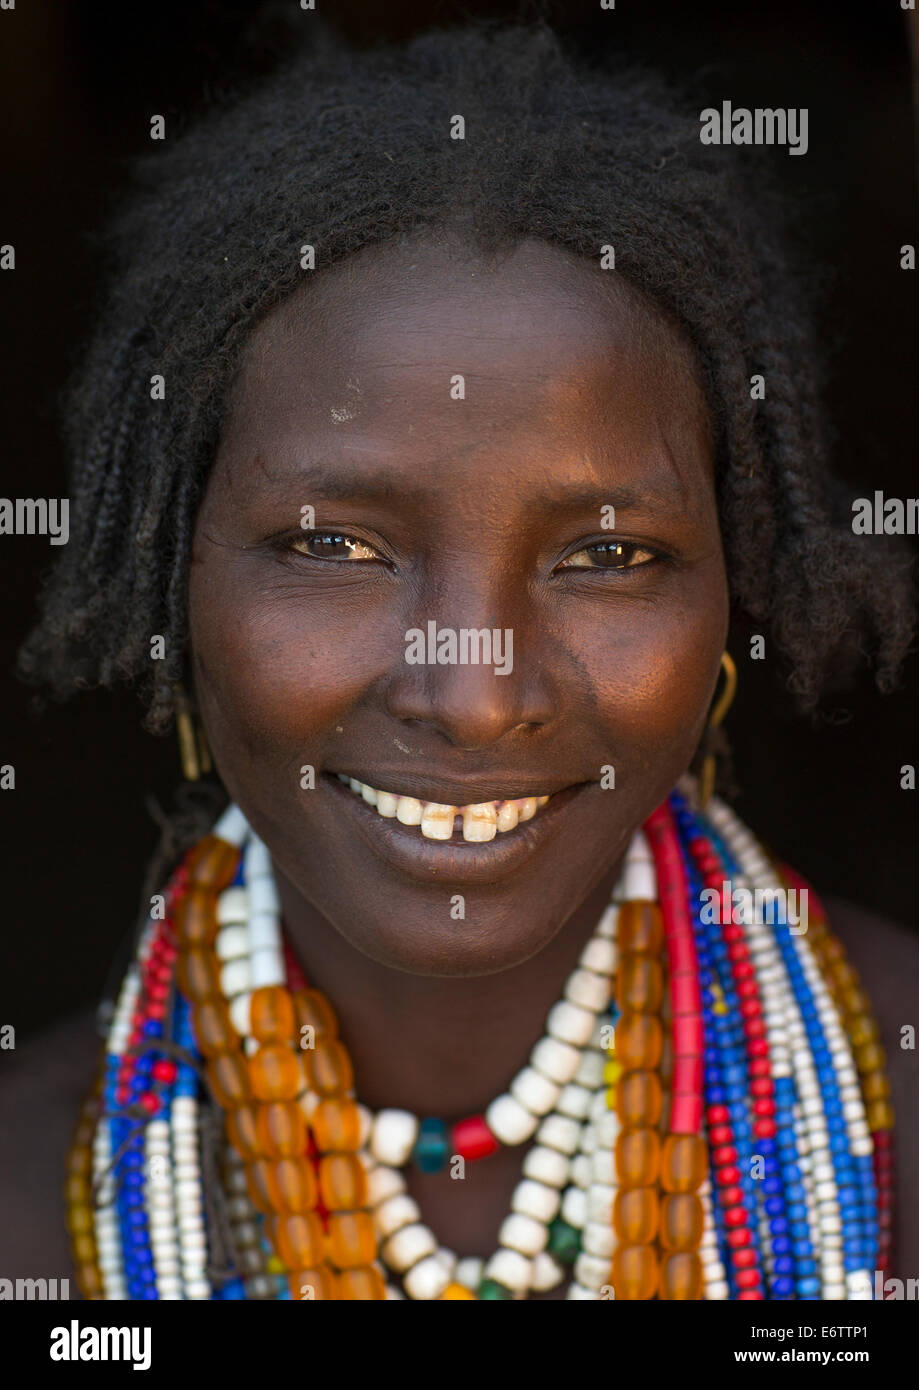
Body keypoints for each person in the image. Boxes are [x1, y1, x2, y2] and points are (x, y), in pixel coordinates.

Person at [3, 19, 916, 1300]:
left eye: (607, 557)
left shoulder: (899, 1118)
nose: (474, 693)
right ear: (178, 578)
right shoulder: (32, 1209)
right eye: (333, 543)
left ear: (732, 588)